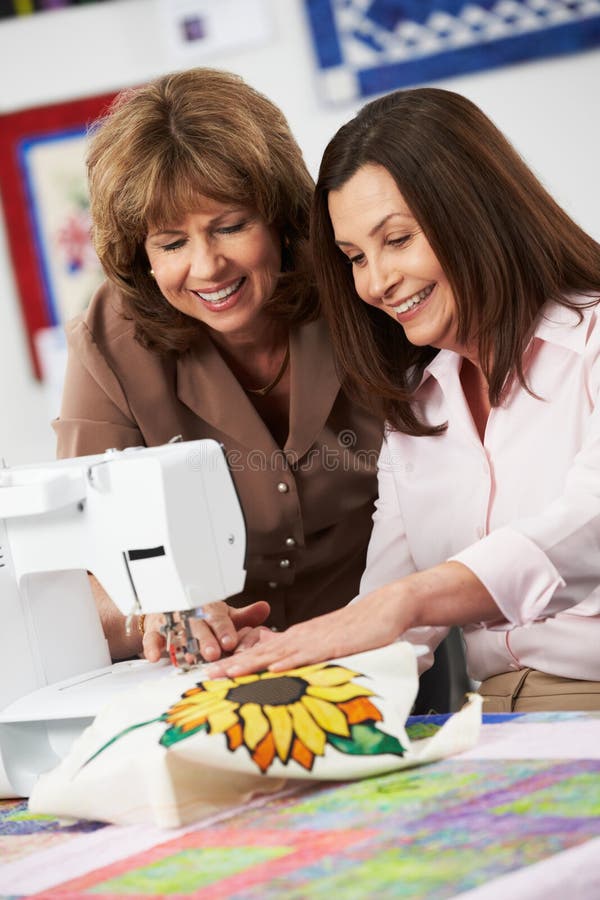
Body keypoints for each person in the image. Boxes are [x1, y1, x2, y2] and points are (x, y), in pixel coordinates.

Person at [209, 87, 600, 713]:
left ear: (478, 211)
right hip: (497, 719)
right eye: (355, 257)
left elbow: (587, 529)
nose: (376, 282)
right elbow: (389, 628)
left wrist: (411, 600)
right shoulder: (418, 409)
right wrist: (283, 659)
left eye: (397, 240)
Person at [55, 68, 383, 665]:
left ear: (280, 220)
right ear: (141, 255)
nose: (207, 267)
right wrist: (153, 608)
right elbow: (75, 564)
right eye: (171, 243)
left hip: (384, 648)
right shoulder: (110, 340)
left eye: (230, 226)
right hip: (210, 677)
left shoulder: (360, 282)